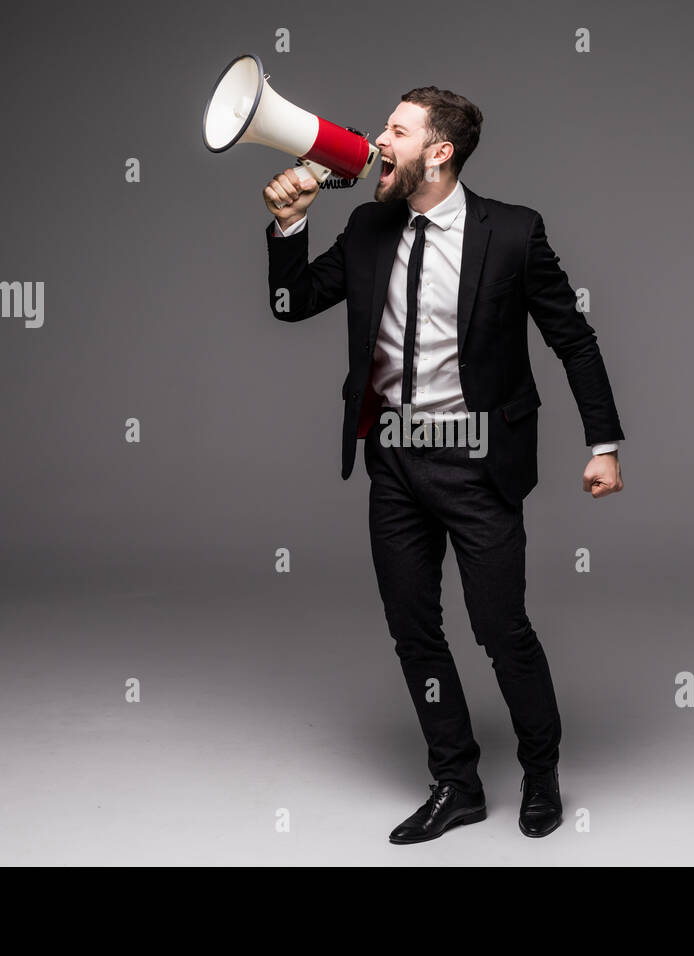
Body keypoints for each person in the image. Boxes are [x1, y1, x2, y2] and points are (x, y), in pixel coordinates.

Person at [263, 87, 625, 842]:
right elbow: (290, 304)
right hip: (393, 461)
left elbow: (575, 339)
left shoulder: (514, 233)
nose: (377, 139)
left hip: (478, 464)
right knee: (413, 631)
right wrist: (290, 223)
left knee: (501, 629)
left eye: (396, 129)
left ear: (439, 151)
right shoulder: (367, 226)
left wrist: (603, 445)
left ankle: (541, 772)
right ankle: (455, 782)